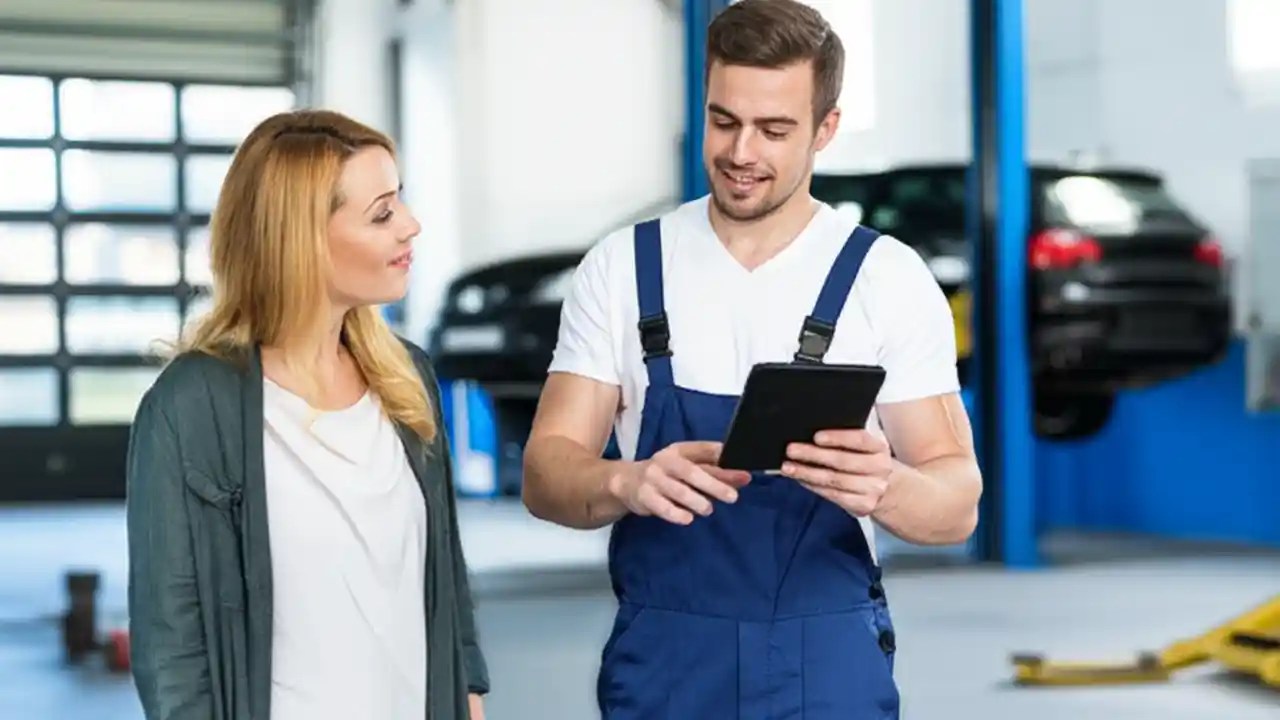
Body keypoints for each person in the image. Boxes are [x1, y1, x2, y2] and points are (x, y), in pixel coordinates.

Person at [521, 0, 983, 717]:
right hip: (666, 660)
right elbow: (547, 472)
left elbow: (957, 503)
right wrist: (626, 481)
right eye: (724, 121)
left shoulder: (884, 277)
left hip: (825, 660)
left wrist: (885, 485)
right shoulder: (623, 267)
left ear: (825, 129)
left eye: (774, 130)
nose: (741, 154)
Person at [125, 109, 489, 720]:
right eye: (382, 213)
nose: (411, 226)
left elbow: (446, 585)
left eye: (400, 201)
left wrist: (470, 701)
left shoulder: (406, 380)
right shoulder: (190, 409)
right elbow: (172, 654)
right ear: (301, 240)